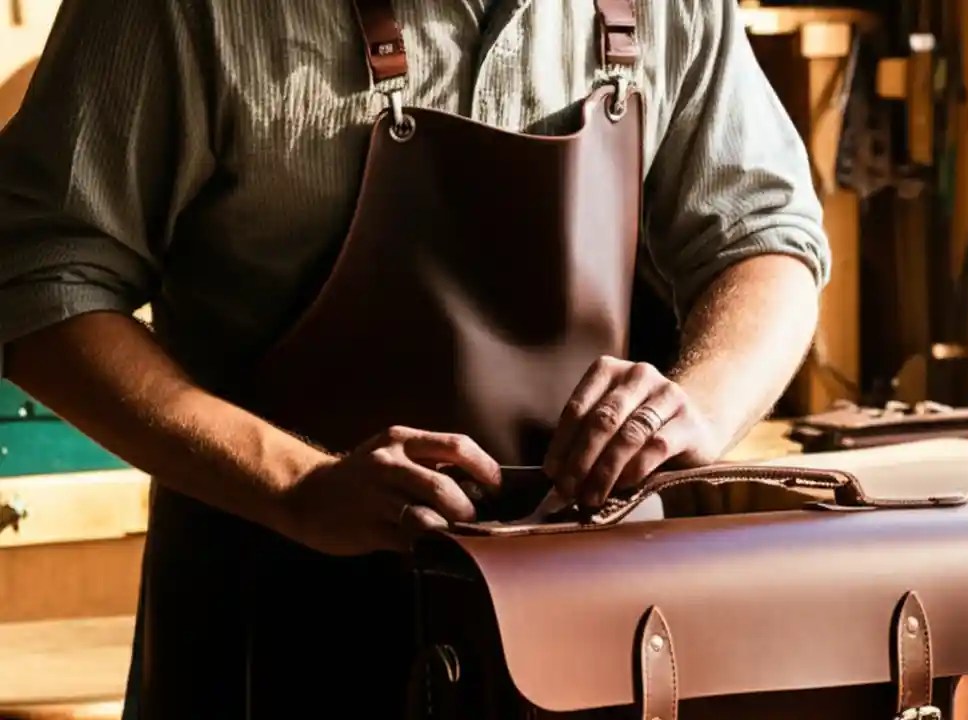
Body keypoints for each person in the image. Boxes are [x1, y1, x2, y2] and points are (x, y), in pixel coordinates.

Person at [0, 0, 830, 716]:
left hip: (590, 633)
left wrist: (703, 402)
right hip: (271, 629)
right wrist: (296, 486)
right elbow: (36, 282)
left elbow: (765, 234)